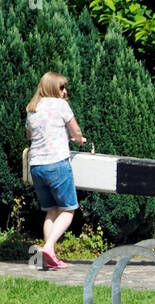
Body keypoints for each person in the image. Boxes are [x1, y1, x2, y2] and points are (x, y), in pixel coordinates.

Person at [25, 71, 89, 270]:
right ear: (53, 87)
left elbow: (29, 135)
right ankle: (49, 247)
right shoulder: (61, 105)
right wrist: (79, 140)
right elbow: (75, 131)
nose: (65, 91)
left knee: (50, 212)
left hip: (36, 166)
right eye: (61, 87)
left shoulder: (32, 108)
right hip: (57, 164)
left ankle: (50, 257)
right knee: (69, 209)